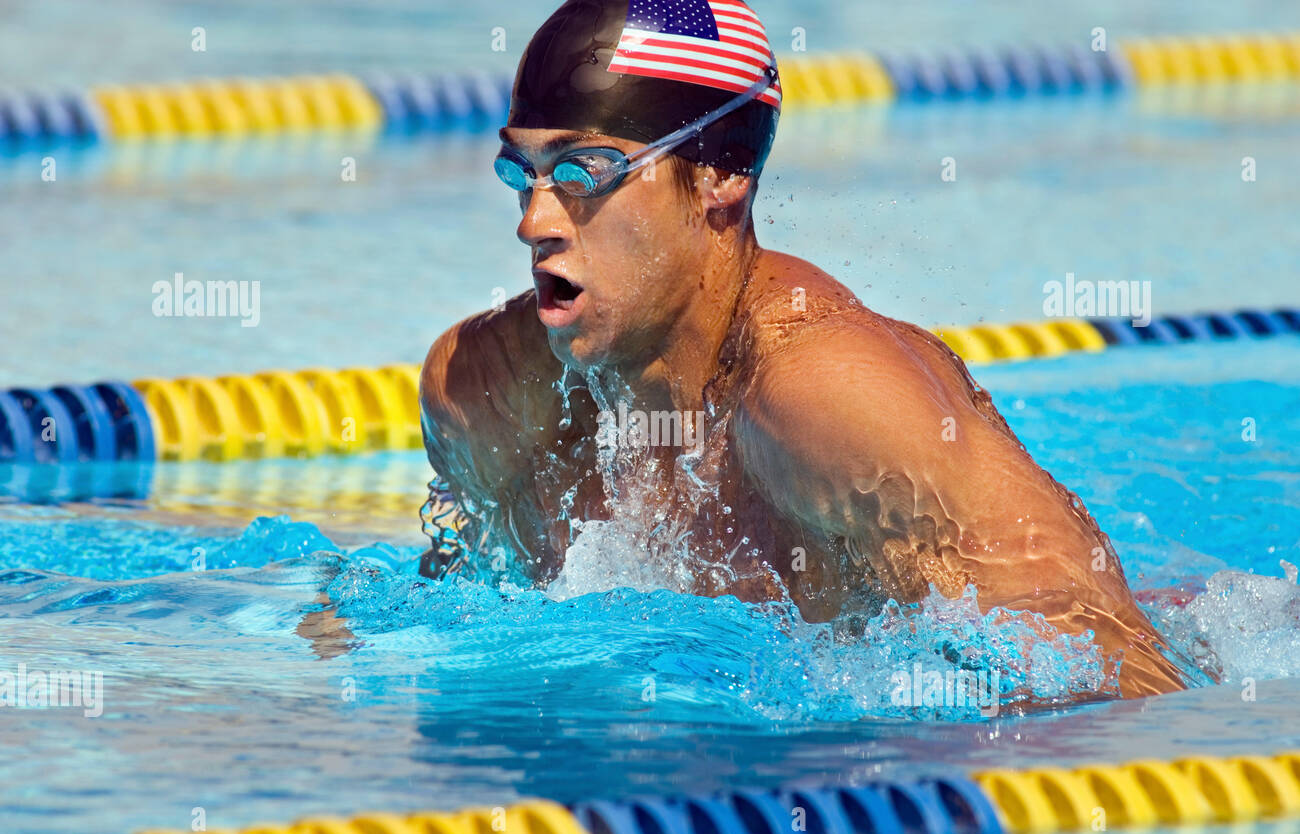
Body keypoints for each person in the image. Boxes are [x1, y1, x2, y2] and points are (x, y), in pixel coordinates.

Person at [418, 0, 1189, 699]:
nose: (534, 222)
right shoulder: (482, 392)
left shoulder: (822, 399)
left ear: (721, 173)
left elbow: (1111, 673)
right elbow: (437, 613)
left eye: (585, 172)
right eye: (524, 172)